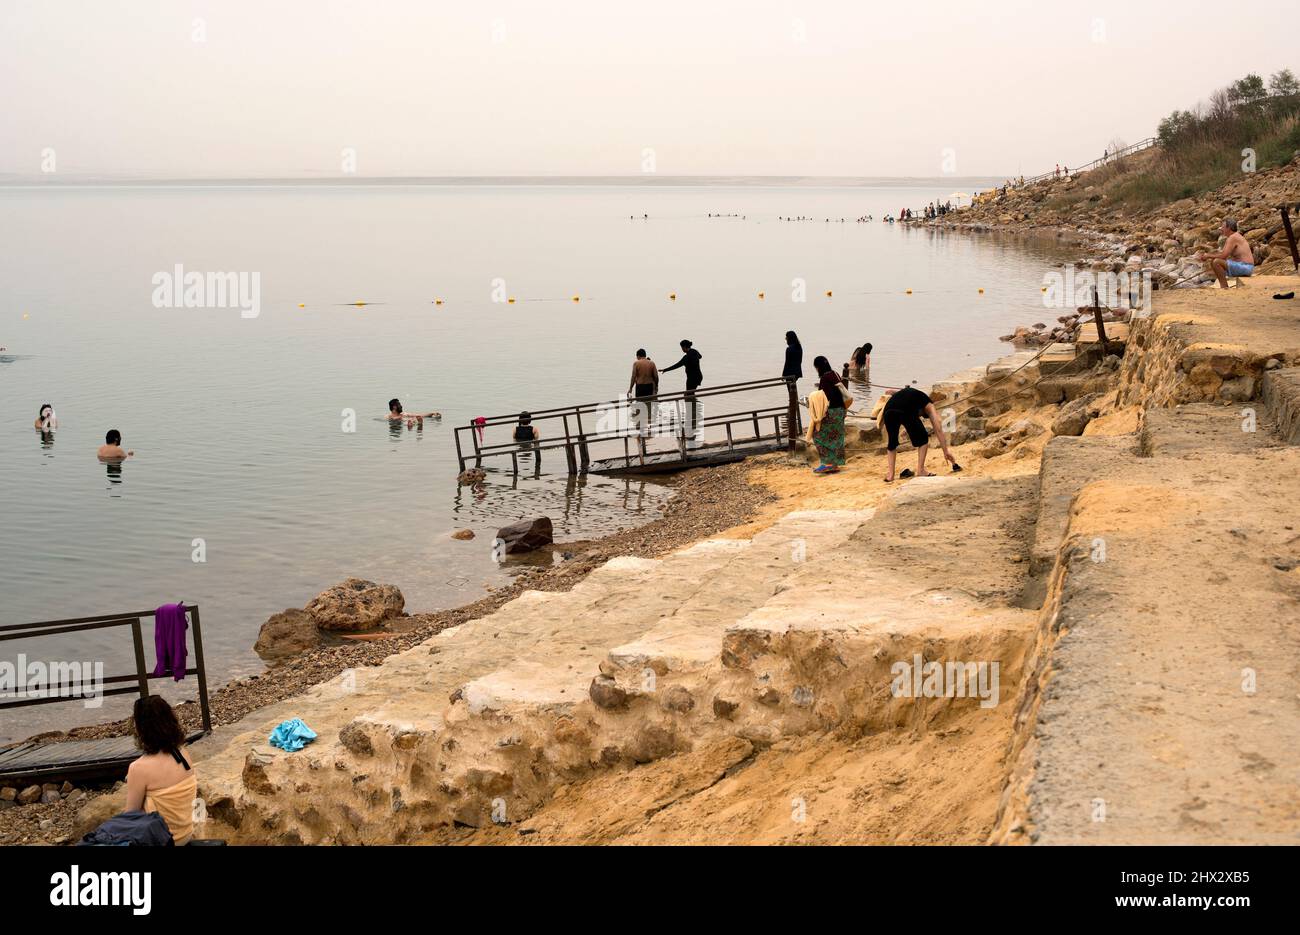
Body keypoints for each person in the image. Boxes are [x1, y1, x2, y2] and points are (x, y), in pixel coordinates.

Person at [124, 696, 198, 845]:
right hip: (185, 835)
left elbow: (130, 819)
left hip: (162, 841)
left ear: (140, 729)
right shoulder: (182, 754)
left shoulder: (138, 768)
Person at [880, 386, 958, 482]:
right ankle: (921, 470)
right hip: (905, 409)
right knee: (923, 439)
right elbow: (938, 428)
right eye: (920, 415)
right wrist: (945, 451)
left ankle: (890, 475)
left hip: (888, 410)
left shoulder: (912, 394)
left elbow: (889, 391)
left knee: (892, 442)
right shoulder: (928, 404)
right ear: (923, 410)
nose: (919, 416)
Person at [806, 356, 851, 474]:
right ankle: (834, 464)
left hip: (832, 411)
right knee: (837, 437)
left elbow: (825, 398)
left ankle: (827, 464)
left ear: (818, 367)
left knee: (817, 435)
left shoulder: (825, 378)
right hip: (841, 410)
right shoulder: (834, 373)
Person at [1197, 218, 1255, 288]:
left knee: (1216, 262)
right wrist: (1209, 255)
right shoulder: (1234, 236)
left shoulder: (1233, 238)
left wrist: (1208, 256)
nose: (1221, 229)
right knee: (1215, 261)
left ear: (1229, 228)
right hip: (1246, 267)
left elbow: (1223, 256)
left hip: (1245, 267)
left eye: (1223, 227)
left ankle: (1224, 287)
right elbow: (1223, 254)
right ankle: (1224, 286)